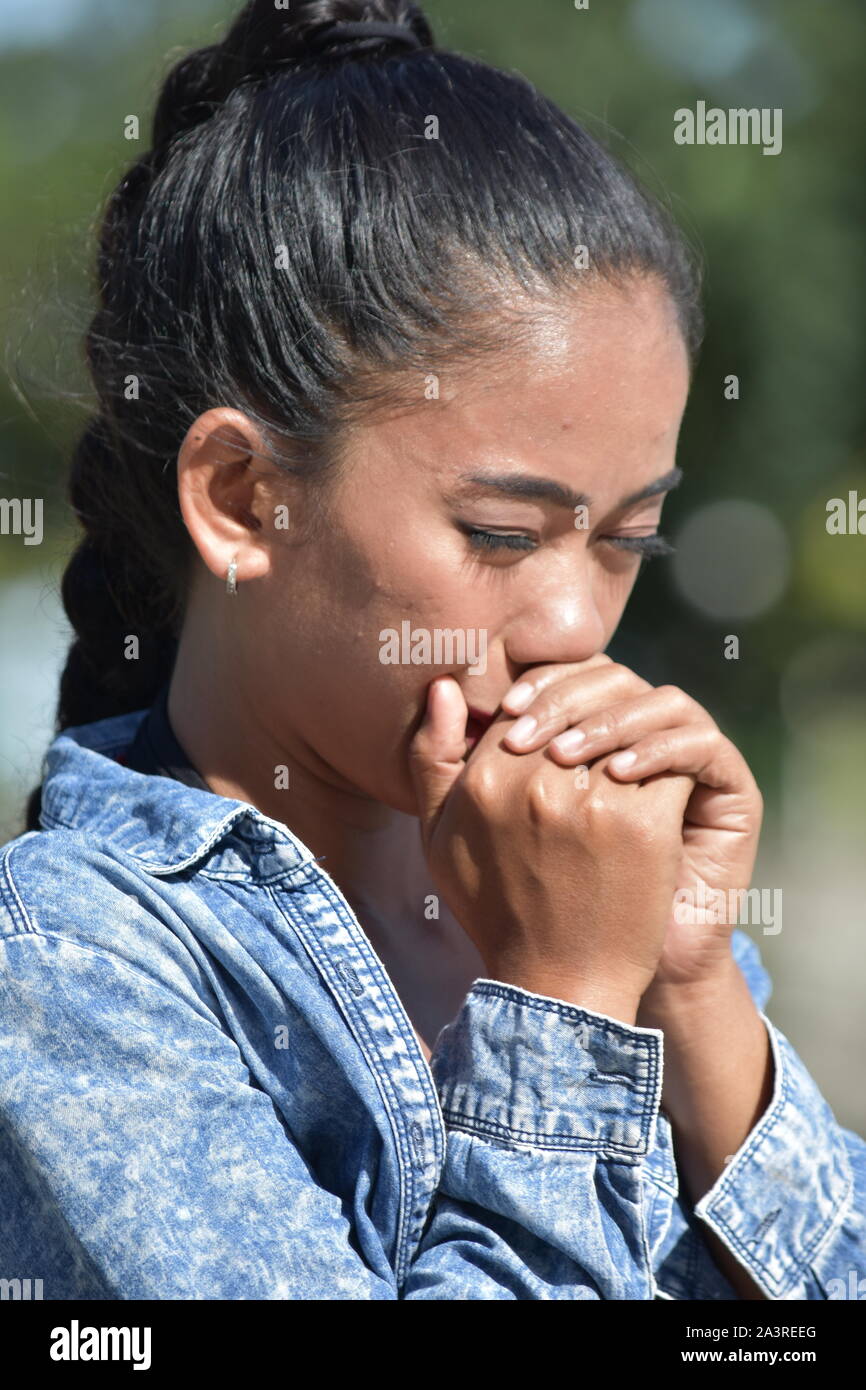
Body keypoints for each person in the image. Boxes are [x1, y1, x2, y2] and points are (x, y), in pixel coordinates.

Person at [0, 0, 862, 1301]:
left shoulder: (584, 874)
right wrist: (562, 1000)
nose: (575, 625)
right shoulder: (73, 959)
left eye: (629, 536)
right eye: (501, 534)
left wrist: (688, 988)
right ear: (242, 498)